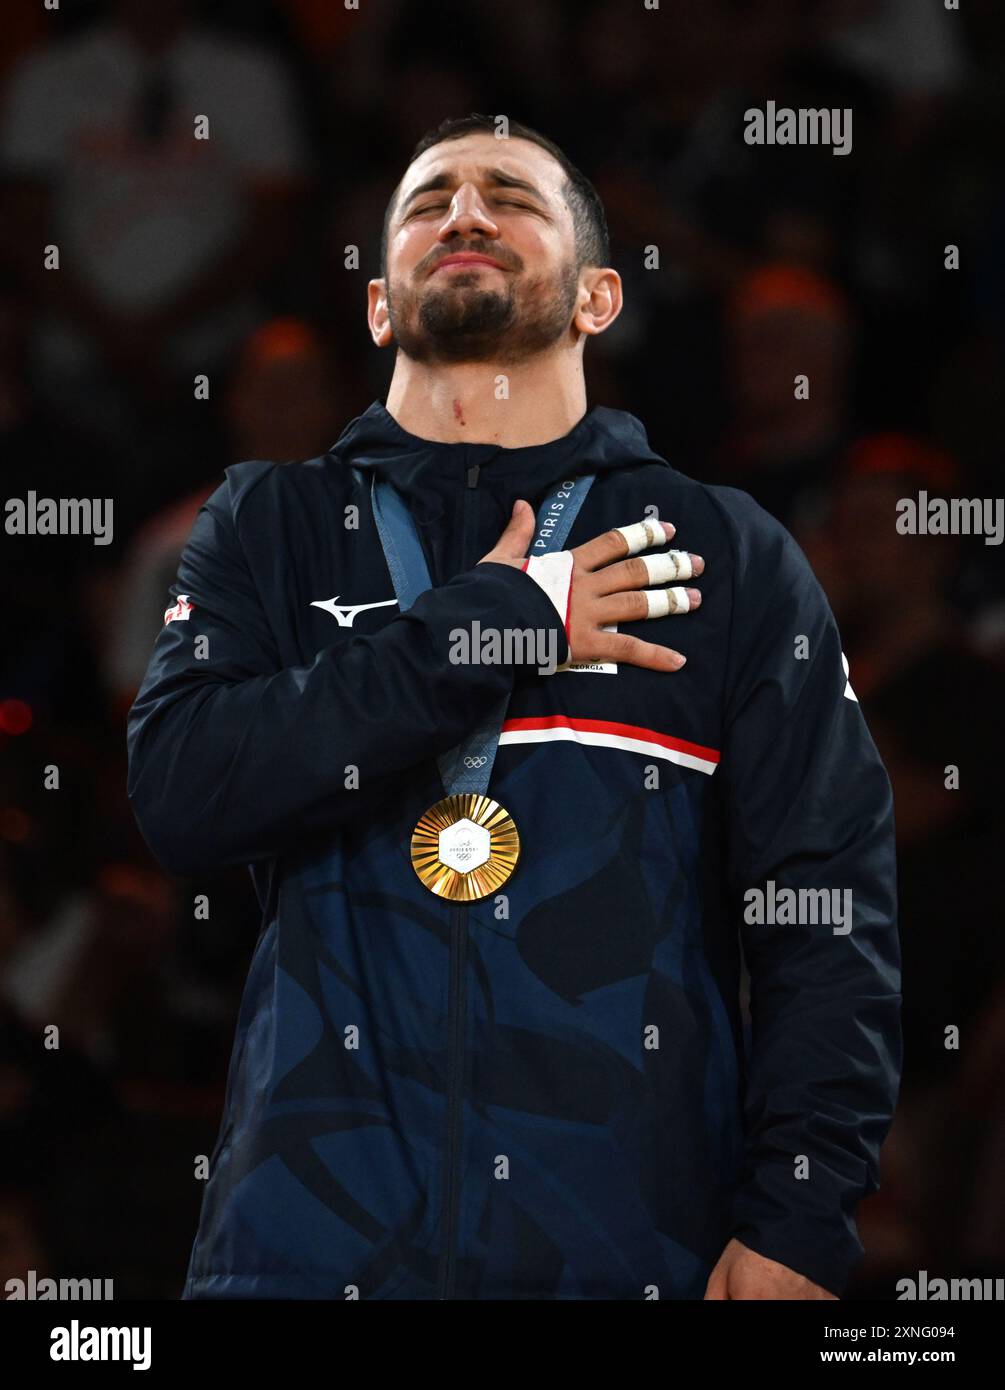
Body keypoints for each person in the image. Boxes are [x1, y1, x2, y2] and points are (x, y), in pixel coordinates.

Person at [126, 113, 901, 1301]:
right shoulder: (271, 525)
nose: (467, 214)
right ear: (378, 307)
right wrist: (494, 624)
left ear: (599, 297)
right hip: (304, 1252)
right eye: (428, 202)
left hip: (624, 1251)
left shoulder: (723, 550)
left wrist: (800, 1214)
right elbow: (182, 795)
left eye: (513, 197)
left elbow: (826, 902)